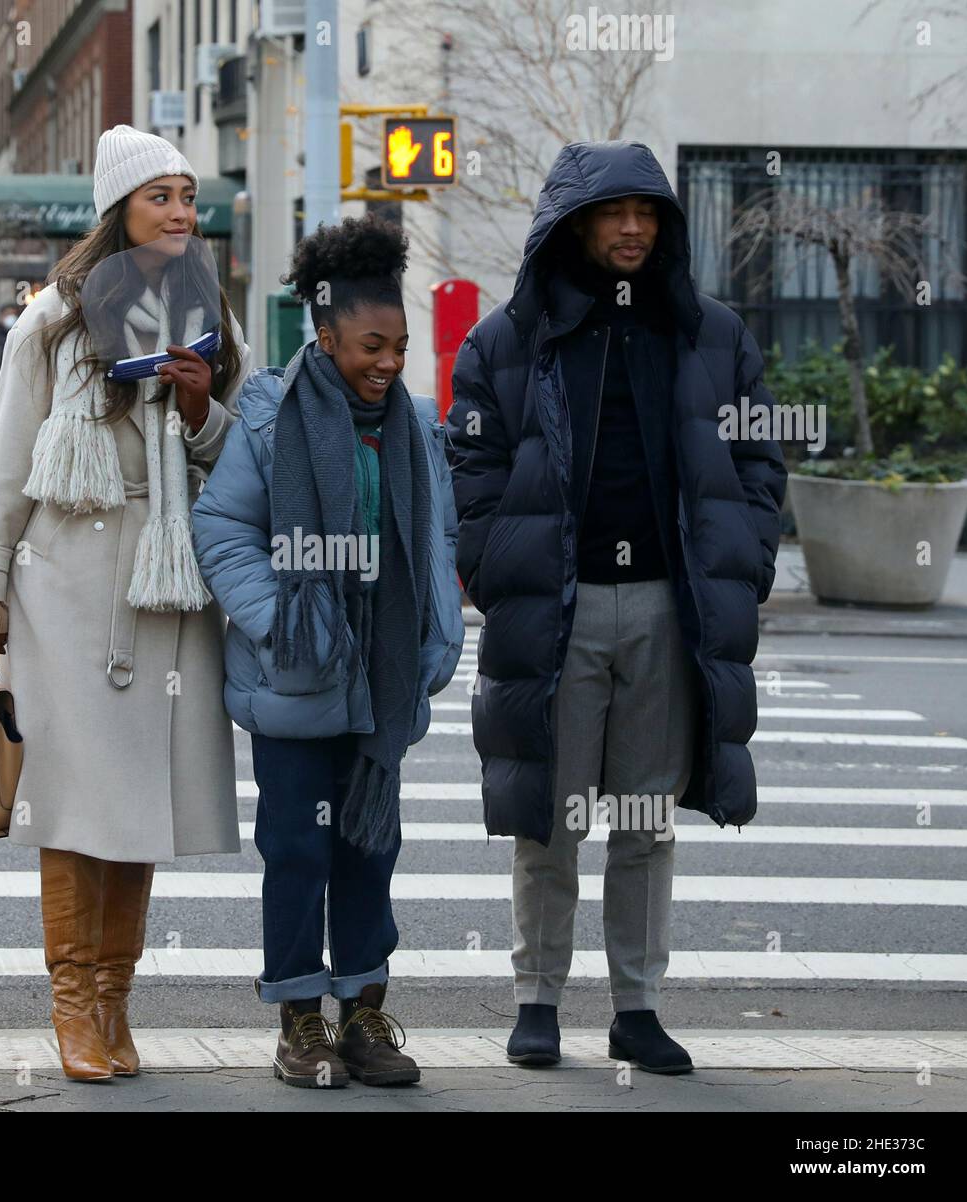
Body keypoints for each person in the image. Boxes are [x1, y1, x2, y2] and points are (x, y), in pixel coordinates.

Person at [447, 140, 786, 1074]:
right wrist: (493, 565)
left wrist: (745, 560)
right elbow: (469, 464)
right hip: (556, 613)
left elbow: (759, 456)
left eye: (647, 214)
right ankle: (537, 1000)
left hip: (669, 611)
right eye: (613, 213)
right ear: (573, 225)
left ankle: (637, 1008)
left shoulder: (710, 333)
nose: (633, 228)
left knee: (645, 820)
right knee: (549, 820)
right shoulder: (507, 339)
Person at [0, 124, 253, 1082]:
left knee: (139, 804)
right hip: (66, 588)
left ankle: (117, 1003)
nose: (180, 211)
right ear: (118, 208)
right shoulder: (53, 320)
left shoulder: (211, 313)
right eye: (160, 195)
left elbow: (240, 457)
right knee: (77, 800)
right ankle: (73, 1005)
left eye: (188, 196)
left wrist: (202, 409)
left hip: (168, 583)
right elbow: (8, 462)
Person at [191, 215, 464, 1088]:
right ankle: (300, 1023)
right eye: (371, 347)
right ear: (325, 333)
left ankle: (365, 1018)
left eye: (400, 347)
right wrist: (282, 621)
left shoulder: (414, 425)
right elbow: (221, 527)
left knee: (370, 850)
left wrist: (439, 632)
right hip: (297, 680)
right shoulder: (271, 419)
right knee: (299, 851)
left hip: (382, 680)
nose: (388, 363)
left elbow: (438, 538)